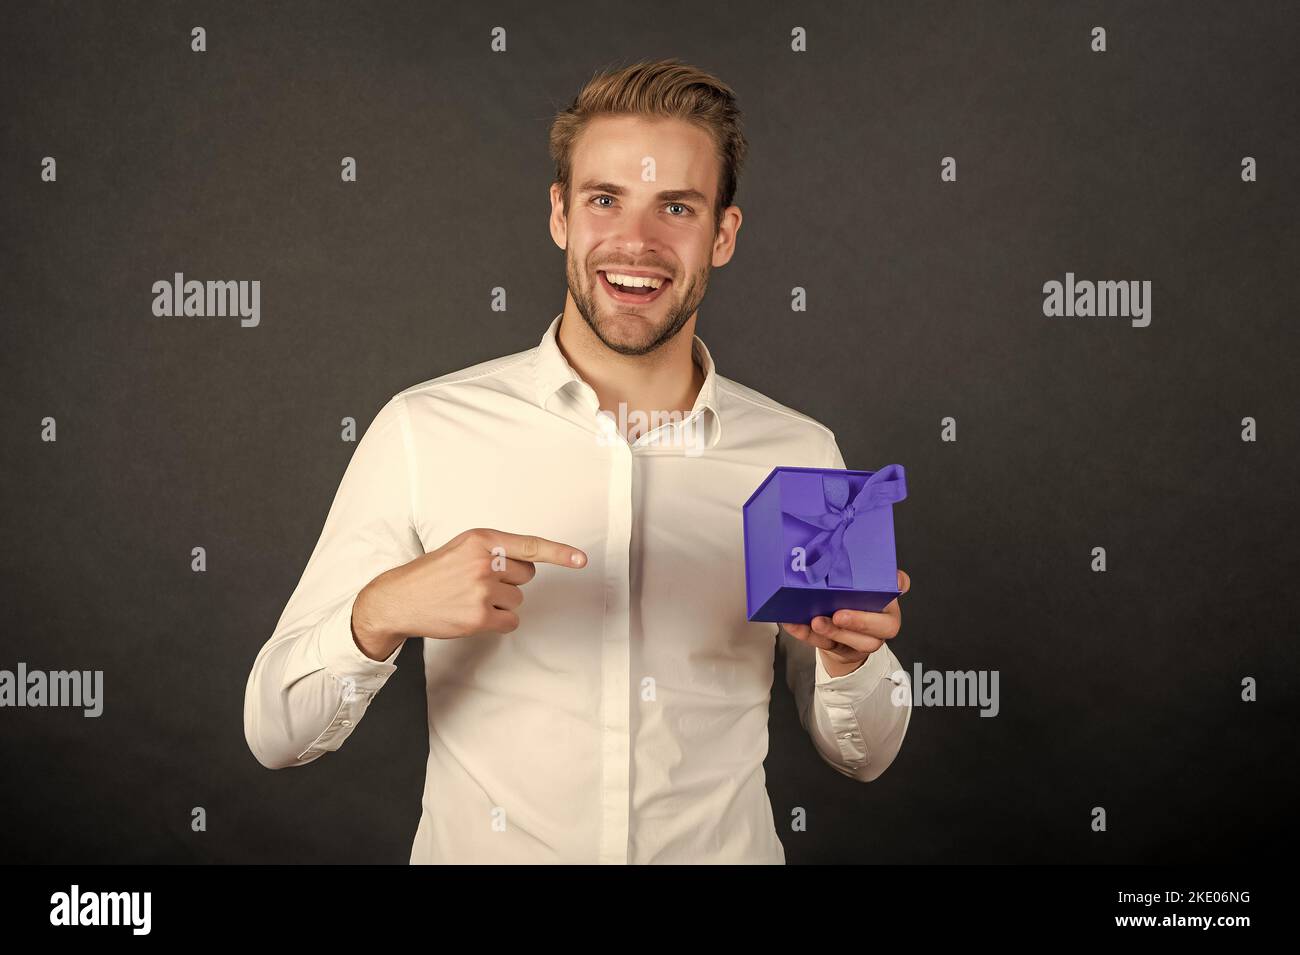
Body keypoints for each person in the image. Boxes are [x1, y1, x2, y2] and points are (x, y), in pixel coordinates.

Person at [243, 57, 912, 864]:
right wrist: (378, 612)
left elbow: (866, 753)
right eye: (605, 200)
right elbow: (275, 734)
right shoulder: (422, 429)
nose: (637, 242)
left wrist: (851, 660)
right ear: (560, 213)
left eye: (677, 206)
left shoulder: (800, 455)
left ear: (723, 234)